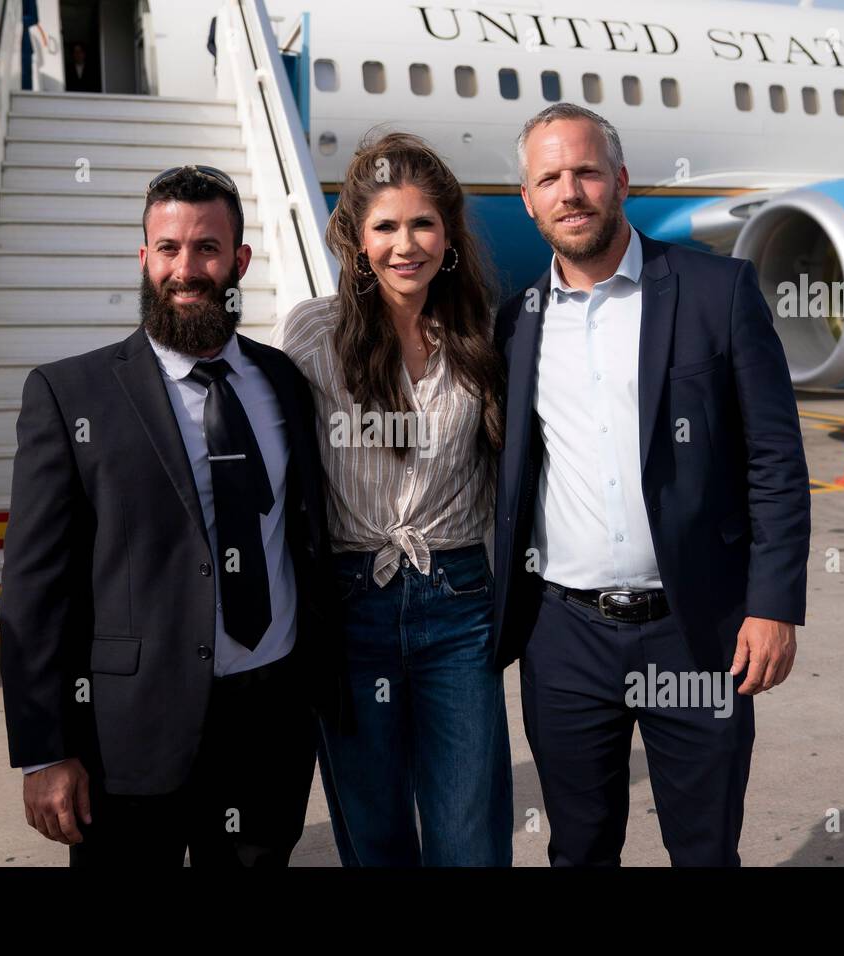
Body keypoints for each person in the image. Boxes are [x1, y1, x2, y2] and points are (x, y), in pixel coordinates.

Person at [0, 164, 346, 867]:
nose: (185, 269)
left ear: (238, 261)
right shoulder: (71, 395)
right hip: (129, 738)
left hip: (267, 727)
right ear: (144, 257)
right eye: (168, 249)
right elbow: (37, 589)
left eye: (207, 249)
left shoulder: (283, 382)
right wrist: (45, 750)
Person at [494, 104, 811, 866]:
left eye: (586, 172)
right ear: (530, 200)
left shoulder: (717, 291)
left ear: (621, 181)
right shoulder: (514, 326)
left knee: (704, 850)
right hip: (565, 639)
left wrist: (771, 605)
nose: (570, 192)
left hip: (697, 632)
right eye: (550, 179)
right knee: (578, 849)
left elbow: (775, 458)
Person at [276, 131, 512, 866]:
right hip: (352, 609)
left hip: (459, 602)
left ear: (448, 237)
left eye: (422, 224)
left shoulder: (483, 336)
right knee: (375, 837)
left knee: (468, 837)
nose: (404, 245)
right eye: (385, 226)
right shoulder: (313, 334)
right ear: (356, 239)